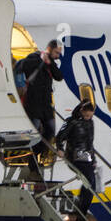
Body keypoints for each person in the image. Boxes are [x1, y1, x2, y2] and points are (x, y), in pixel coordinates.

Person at [19, 40, 64, 178]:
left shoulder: (51, 63)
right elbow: (23, 67)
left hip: (46, 105)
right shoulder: (33, 59)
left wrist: (50, 64)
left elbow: (59, 77)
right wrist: (41, 62)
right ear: (49, 49)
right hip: (34, 104)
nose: (58, 55)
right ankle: (32, 163)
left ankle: (34, 156)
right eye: (56, 52)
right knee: (35, 131)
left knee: (50, 131)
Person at [55, 99, 98, 213]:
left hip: (86, 157)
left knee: (92, 184)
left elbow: (90, 143)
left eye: (90, 114)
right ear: (82, 111)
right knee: (89, 181)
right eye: (86, 114)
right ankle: (80, 209)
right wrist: (60, 148)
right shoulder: (72, 121)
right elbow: (60, 136)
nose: (88, 116)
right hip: (74, 156)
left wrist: (93, 159)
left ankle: (81, 209)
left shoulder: (90, 123)